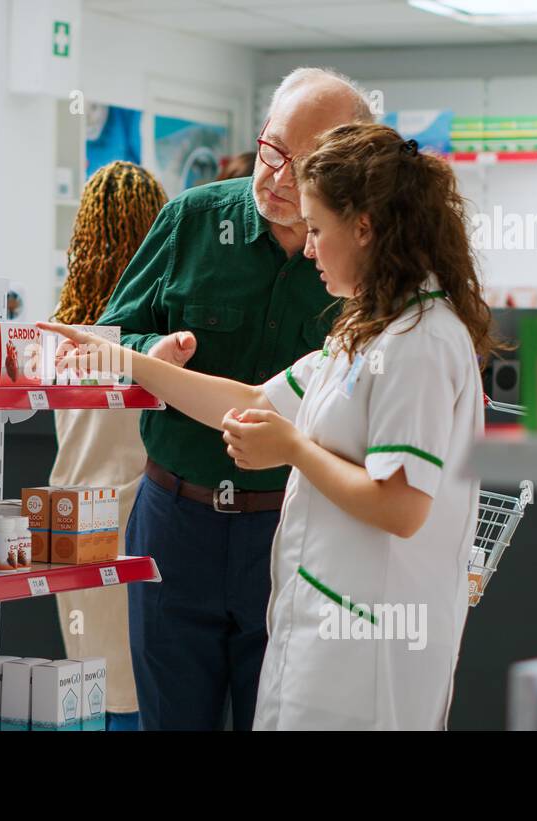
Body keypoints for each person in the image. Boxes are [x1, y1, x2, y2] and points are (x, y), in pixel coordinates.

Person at [43, 121, 501, 730]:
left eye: (317, 230)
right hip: (320, 624)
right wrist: (121, 358)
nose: (308, 248)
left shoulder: (418, 343)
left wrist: (292, 449)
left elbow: (401, 506)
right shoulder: (364, 332)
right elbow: (249, 400)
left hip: (371, 647)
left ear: (363, 228)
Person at [94, 67, 373, 731]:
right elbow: (111, 334)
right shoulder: (191, 220)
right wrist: (146, 353)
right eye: (271, 148)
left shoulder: (360, 257)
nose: (276, 177)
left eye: (301, 165)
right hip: (174, 519)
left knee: (277, 718)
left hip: (294, 526)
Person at [48, 161, 168, 731]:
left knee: (86, 684)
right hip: (134, 513)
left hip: (67, 516)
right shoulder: (159, 332)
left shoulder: (67, 327)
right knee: (134, 688)